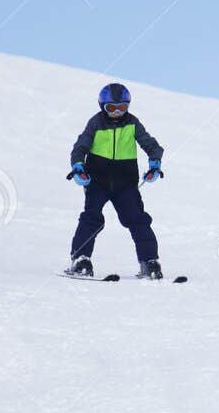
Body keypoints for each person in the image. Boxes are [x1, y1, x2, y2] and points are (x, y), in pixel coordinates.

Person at [64, 83, 166, 279]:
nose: (117, 112)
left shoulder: (132, 123)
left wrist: (155, 164)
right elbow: (80, 147)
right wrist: (78, 166)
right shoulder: (95, 123)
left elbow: (150, 144)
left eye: (122, 108)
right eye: (111, 108)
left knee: (138, 220)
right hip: (97, 182)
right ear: (102, 106)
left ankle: (150, 262)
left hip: (125, 184)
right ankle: (81, 260)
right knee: (91, 218)